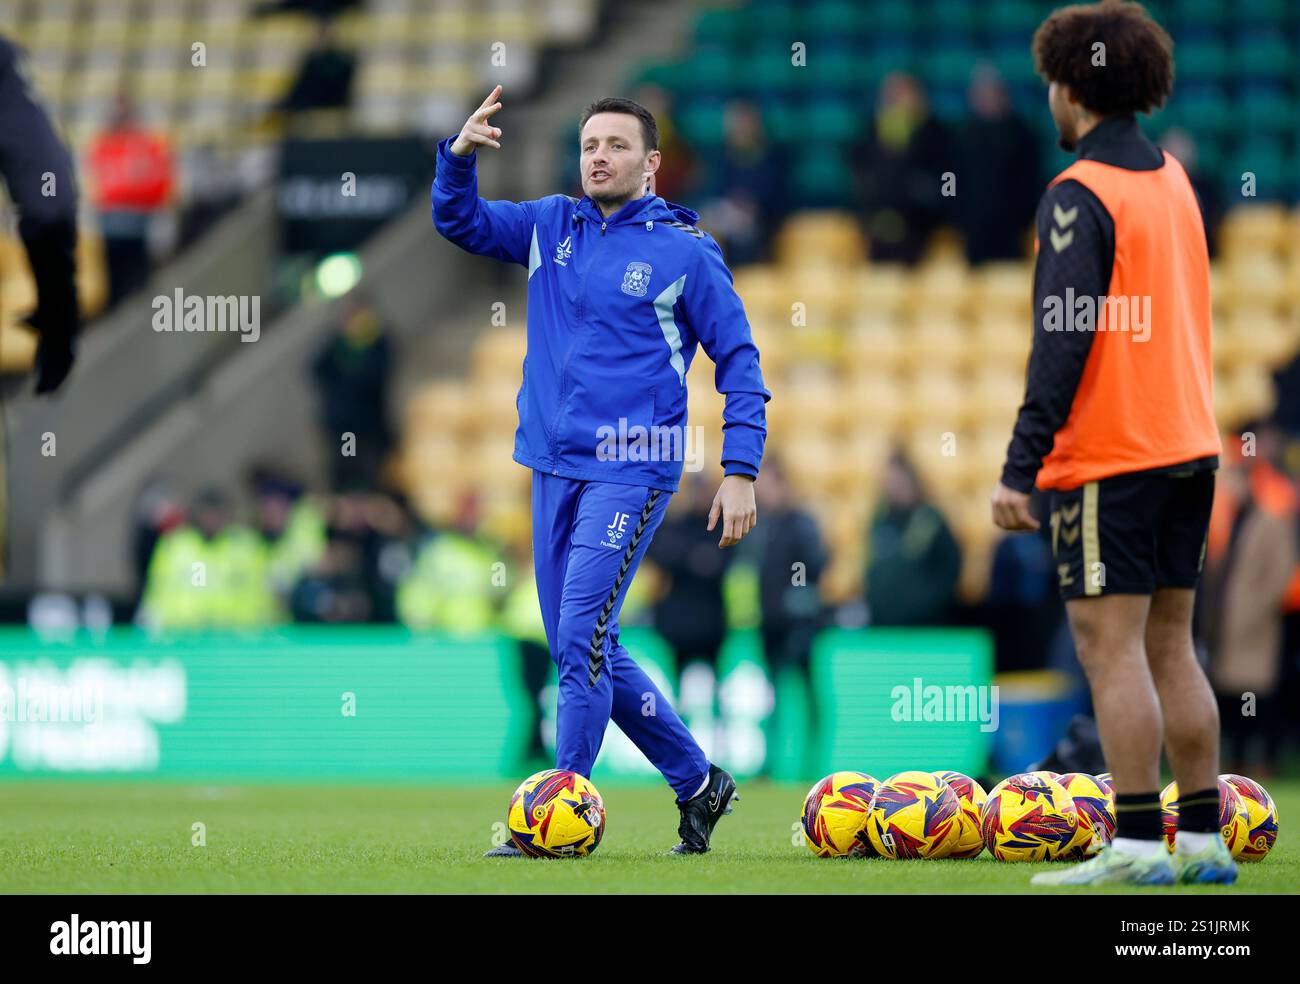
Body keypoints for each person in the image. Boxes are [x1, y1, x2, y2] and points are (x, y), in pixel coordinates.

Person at [432, 87, 769, 855]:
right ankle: (698, 781)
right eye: (589, 146)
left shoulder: (687, 250)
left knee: (581, 632)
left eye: (615, 146)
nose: (598, 157)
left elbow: (740, 360)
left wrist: (739, 467)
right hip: (550, 463)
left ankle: (555, 818)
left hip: (634, 463)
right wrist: (456, 160)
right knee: (583, 647)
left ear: (651, 164)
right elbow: (461, 222)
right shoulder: (550, 224)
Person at [992, 1, 1229, 886]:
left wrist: (1022, 464)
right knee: (1175, 644)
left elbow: (1062, 338)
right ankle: (1200, 839)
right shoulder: (1174, 181)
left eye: (1050, 82)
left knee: (1111, 648)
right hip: (1189, 447)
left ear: (1073, 86)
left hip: (1113, 455)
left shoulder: (1079, 194)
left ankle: (1135, 844)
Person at [86, 92, 176, 306]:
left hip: (141, 226)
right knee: (114, 284)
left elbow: (159, 183)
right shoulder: (103, 146)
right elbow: (100, 186)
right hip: (110, 228)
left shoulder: (146, 145)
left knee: (138, 284)